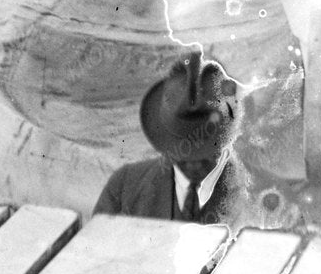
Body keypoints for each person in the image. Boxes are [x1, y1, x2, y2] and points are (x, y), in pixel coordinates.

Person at [94, 50, 245, 223]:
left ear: (228, 137)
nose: (194, 163)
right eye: (184, 152)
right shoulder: (124, 187)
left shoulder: (254, 194)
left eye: (206, 153)